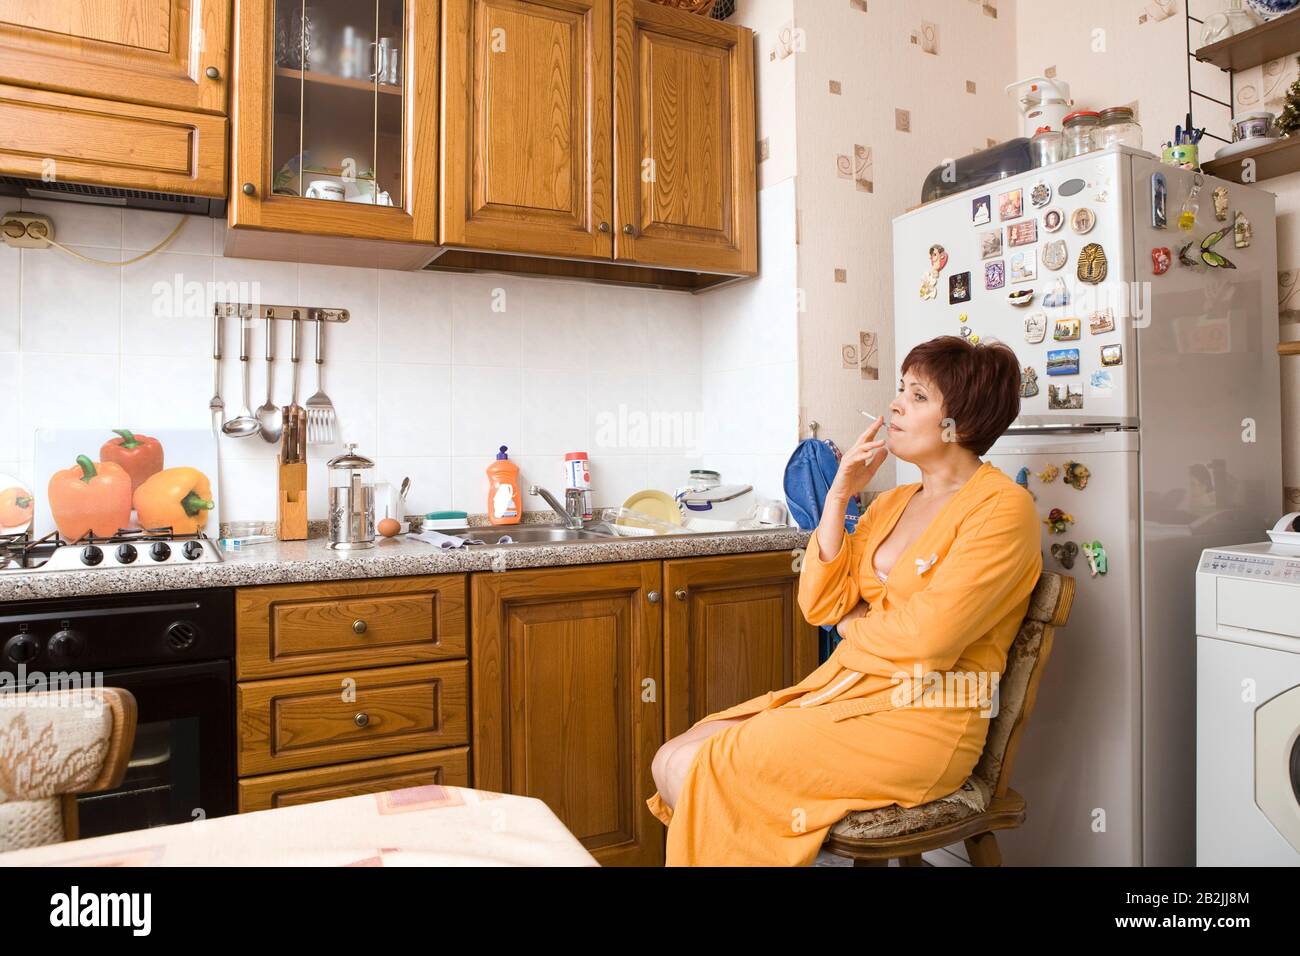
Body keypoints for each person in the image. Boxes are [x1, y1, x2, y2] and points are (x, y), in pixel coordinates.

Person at [646, 335, 1043, 865]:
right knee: (670, 758)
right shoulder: (896, 501)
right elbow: (821, 603)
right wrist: (839, 494)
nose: (896, 403)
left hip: (922, 720)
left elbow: (928, 642)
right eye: (901, 389)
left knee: (707, 766)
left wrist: (855, 627)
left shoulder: (1002, 510)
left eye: (918, 396)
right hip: (845, 691)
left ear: (961, 424)